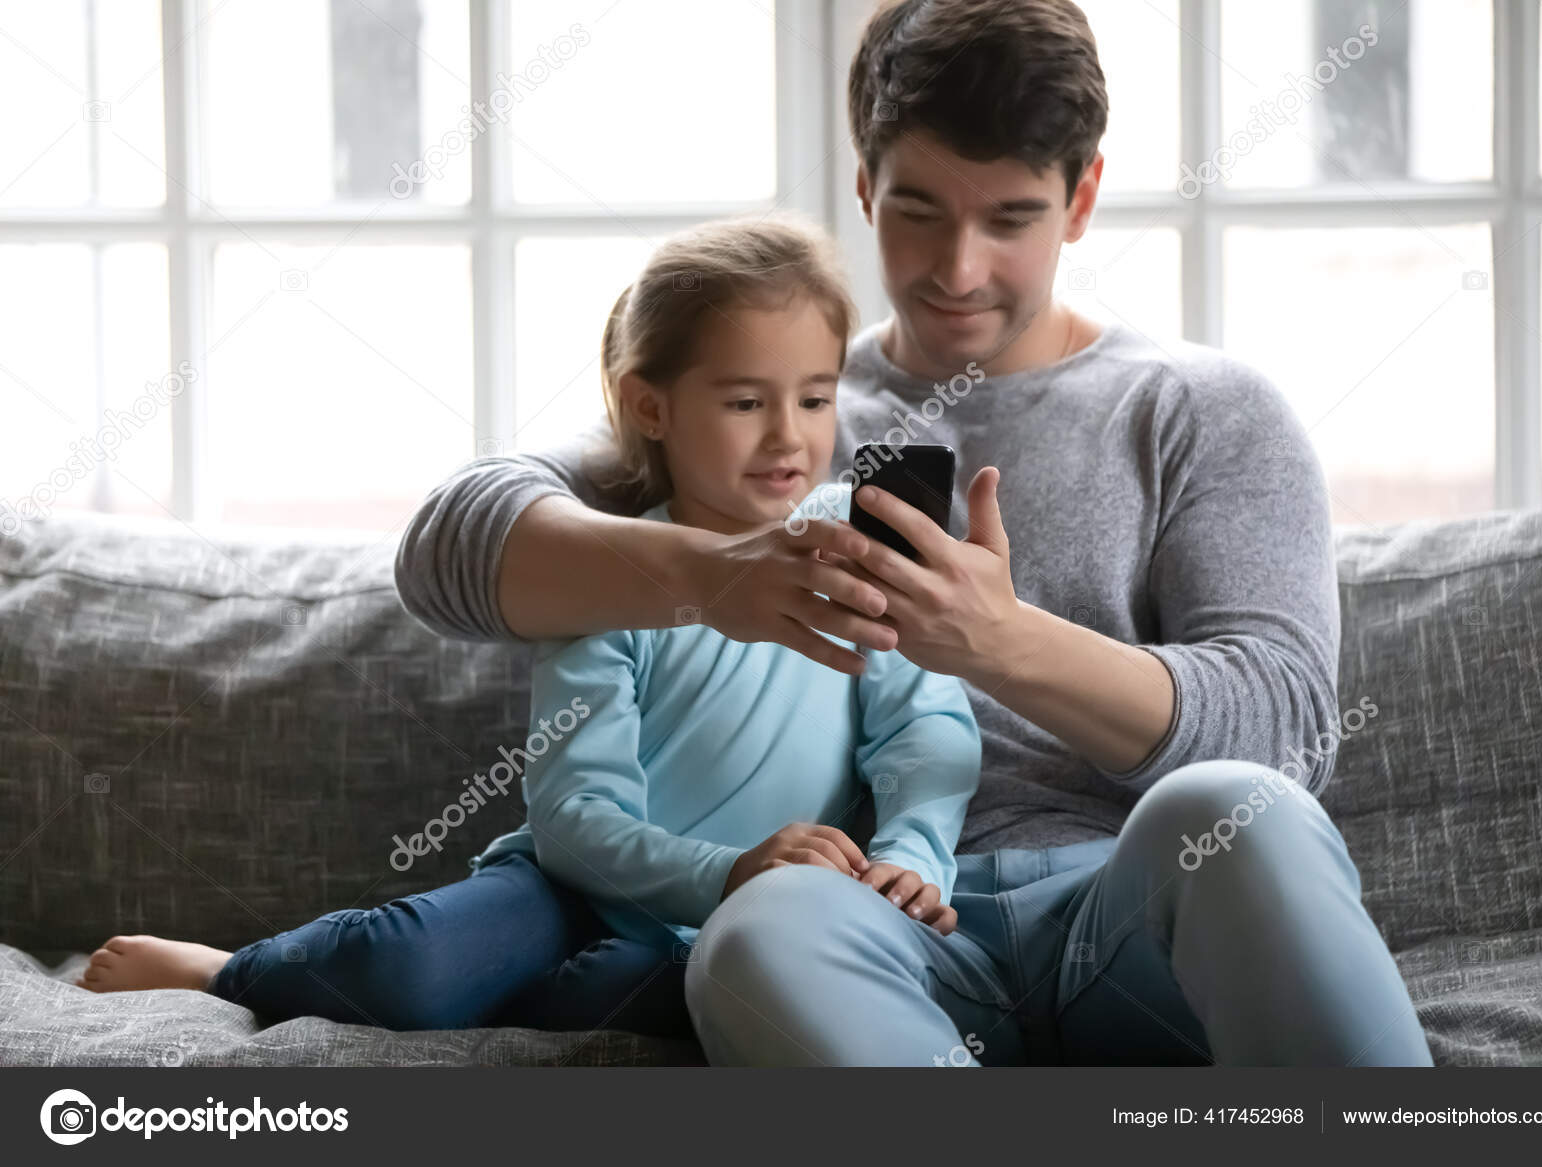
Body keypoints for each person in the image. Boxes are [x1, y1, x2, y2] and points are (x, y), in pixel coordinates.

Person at [390, 0, 1432, 1066]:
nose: (958, 269)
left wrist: (999, 643)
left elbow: (1285, 731)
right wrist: (717, 576)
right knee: (763, 923)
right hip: (877, 927)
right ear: (863, 186)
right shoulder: (772, 406)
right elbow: (447, 551)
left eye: (1011, 219)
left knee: (1239, 808)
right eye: (919, 210)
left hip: (1127, 910)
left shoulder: (1196, 410)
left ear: (1081, 200)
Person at [74, 215, 982, 1041]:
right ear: (651, 406)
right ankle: (233, 967)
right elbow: (574, 818)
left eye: (815, 399)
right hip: (570, 888)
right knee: (413, 967)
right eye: (746, 402)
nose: (788, 436)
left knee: (639, 998)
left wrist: (910, 857)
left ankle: (538, 989)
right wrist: (727, 867)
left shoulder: (858, 544)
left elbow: (926, 725)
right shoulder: (616, 571)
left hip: (757, 914)